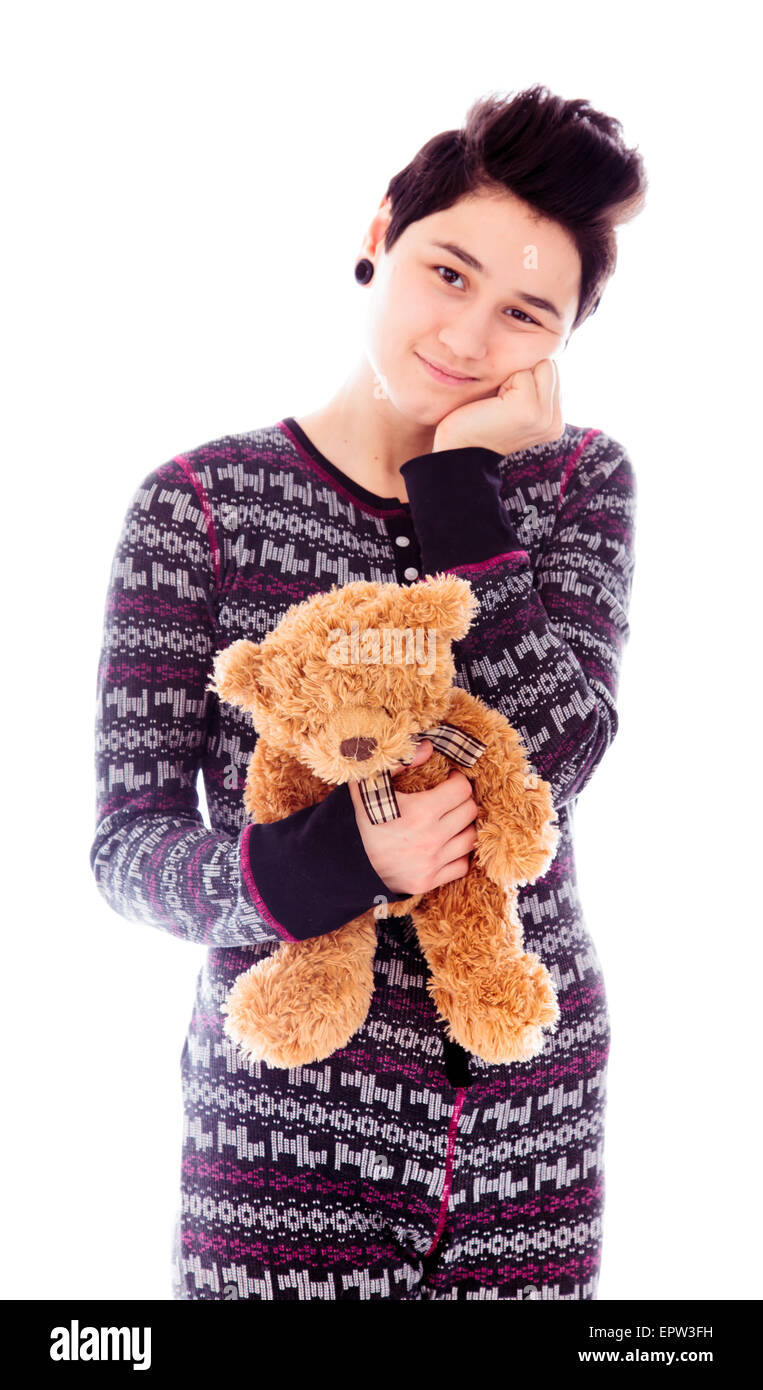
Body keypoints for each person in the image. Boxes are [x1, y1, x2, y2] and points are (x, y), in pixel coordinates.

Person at [89, 83, 647, 1301]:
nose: (466, 337)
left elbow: (555, 764)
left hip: (530, 1121)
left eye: (523, 314)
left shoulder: (577, 486)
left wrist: (460, 487)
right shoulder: (200, 506)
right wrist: (332, 860)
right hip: (287, 1130)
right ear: (381, 230)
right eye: (447, 273)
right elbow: (126, 847)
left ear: (559, 345)